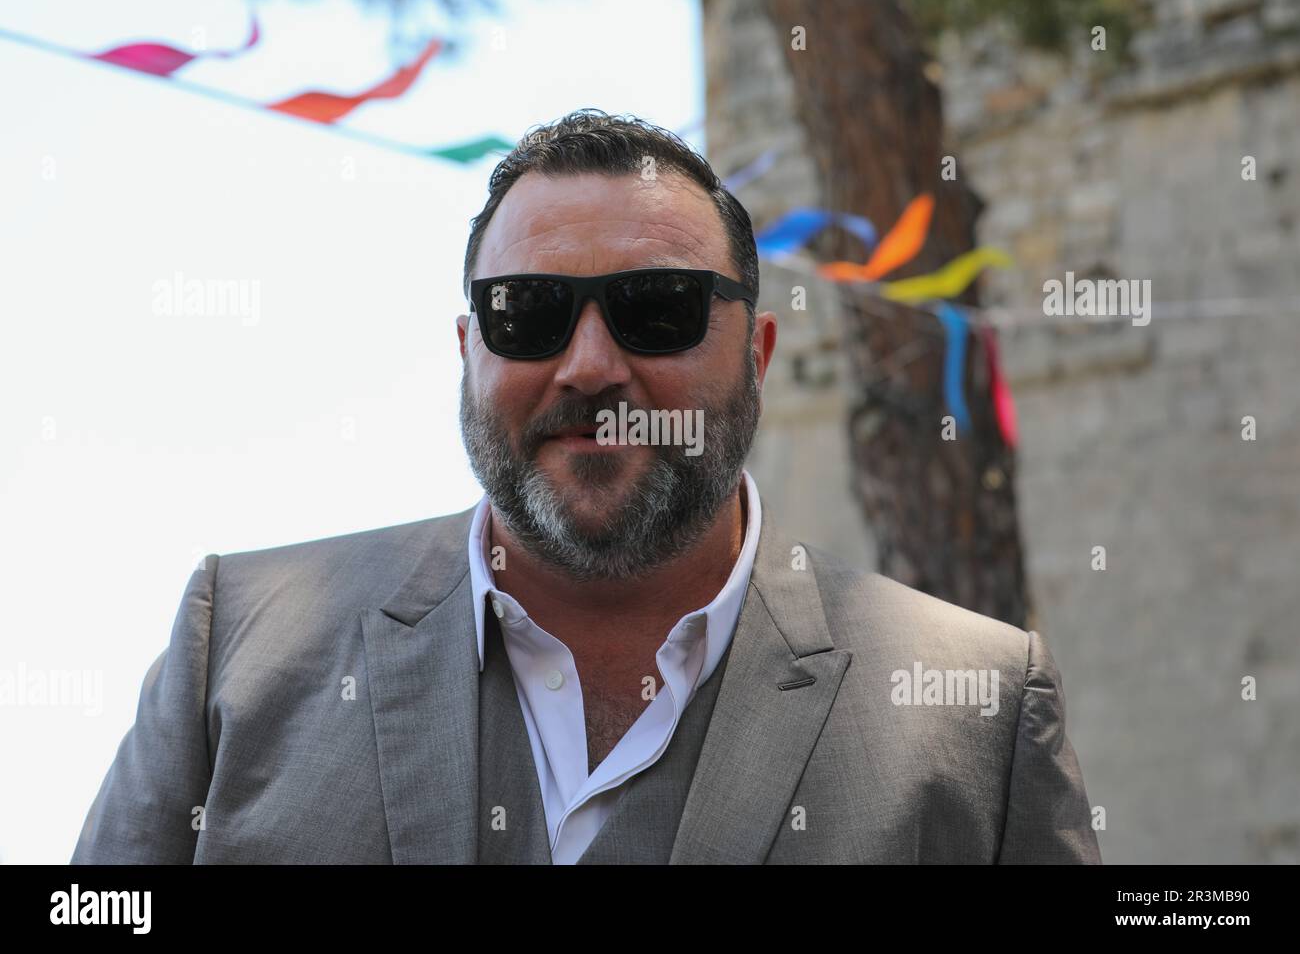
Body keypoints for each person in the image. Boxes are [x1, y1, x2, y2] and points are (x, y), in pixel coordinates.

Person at [72, 109, 1100, 864]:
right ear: (469, 348)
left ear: (759, 352)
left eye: (658, 308)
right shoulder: (236, 650)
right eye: (529, 312)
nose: (591, 366)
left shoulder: (980, 711)